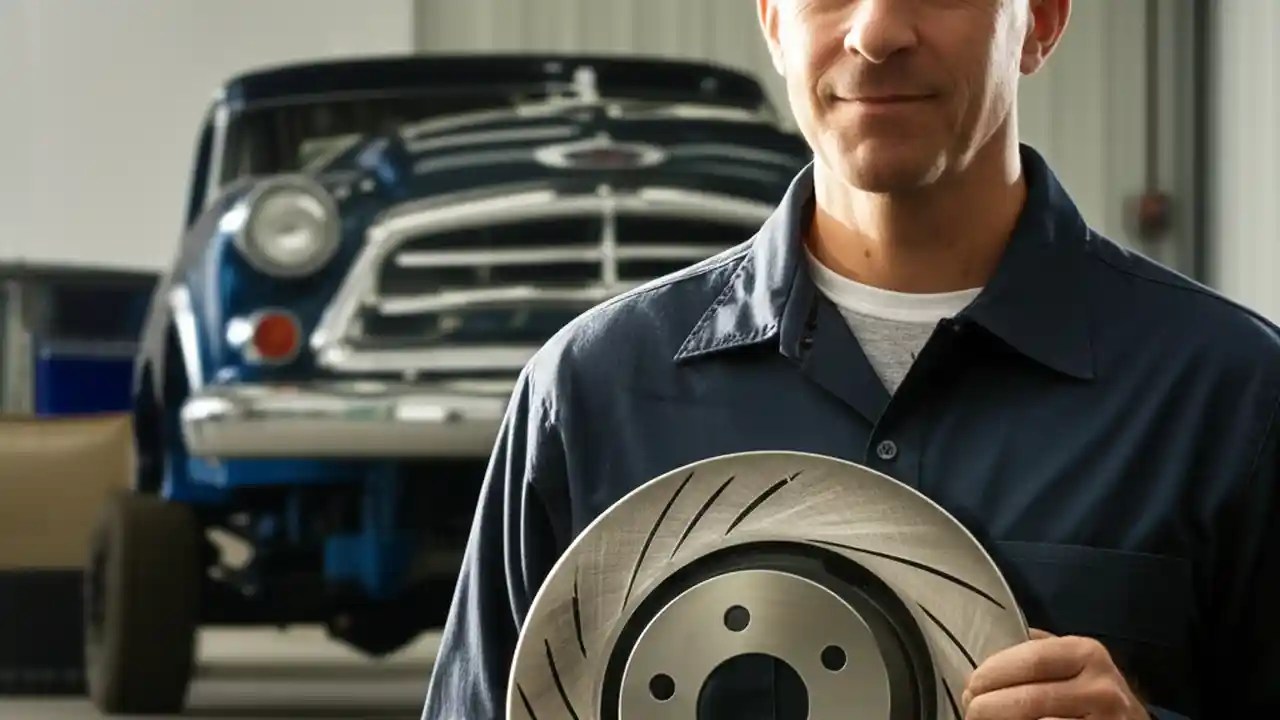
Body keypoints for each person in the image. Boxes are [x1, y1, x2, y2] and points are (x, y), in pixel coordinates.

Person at [421, 0, 1279, 717]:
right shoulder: (587, 393)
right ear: (771, 17)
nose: (876, 33)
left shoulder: (1233, 396)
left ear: (1042, 20)